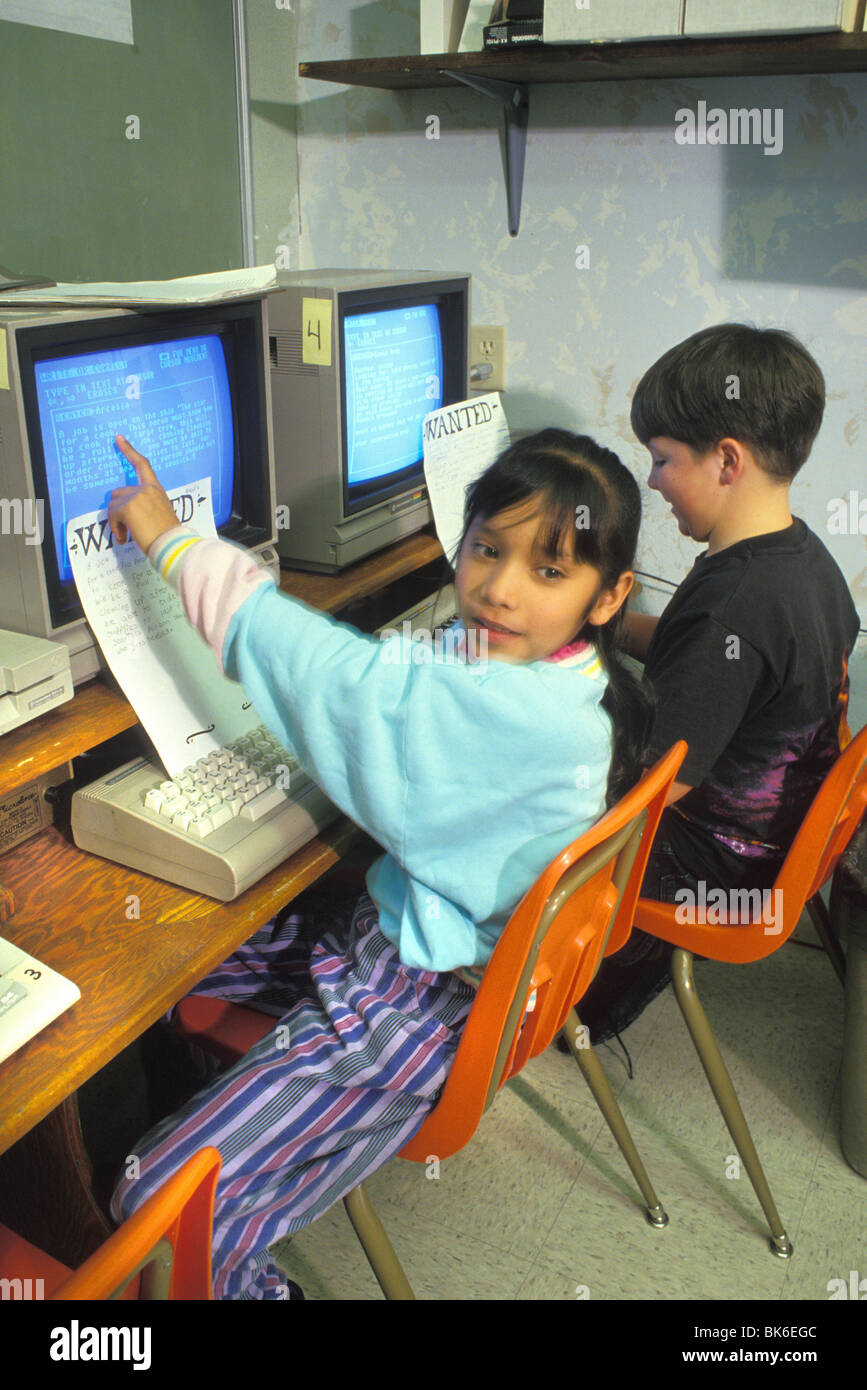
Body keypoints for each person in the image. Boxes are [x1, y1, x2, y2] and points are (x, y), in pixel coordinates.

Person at [106, 426, 653, 1299]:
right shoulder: (572, 680)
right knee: (162, 973)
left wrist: (170, 541)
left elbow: (331, 678)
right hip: (411, 960)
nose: (499, 590)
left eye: (546, 571)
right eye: (484, 550)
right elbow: (409, 675)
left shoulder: (517, 714)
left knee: (155, 1200)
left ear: (606, 593)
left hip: (411, 1011)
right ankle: (234, 1128)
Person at [576, 323, 861, 1044]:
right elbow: (682, 645)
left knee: (516, 788)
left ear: (725, 461)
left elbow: (645, 795)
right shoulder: (793, 559)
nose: (651, 480)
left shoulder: (735, 604)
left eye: (662, 459)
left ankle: (564, 994)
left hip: (712, 870)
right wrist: (591, 621)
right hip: (775, 843)